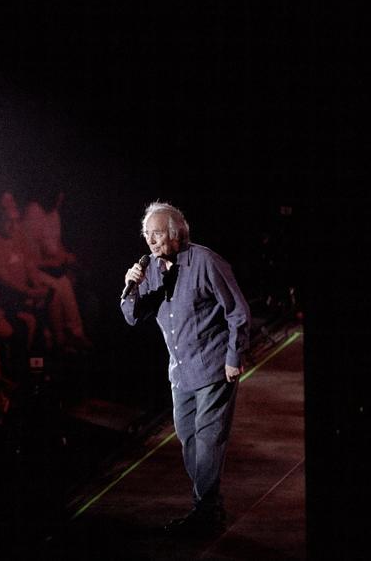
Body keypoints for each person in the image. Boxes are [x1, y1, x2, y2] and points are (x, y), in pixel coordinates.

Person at [121, 201, 249, 536]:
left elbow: (238, 311)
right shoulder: (148, 268)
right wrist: (131, 288)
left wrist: (234, 357)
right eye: (147, 234)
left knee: (207, 440)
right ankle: (209, 506)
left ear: (177, 234)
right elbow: (132, 317)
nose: (151, 240)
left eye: (158, 233)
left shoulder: (205, 261)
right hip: (180, 372)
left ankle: (205, 511)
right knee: (188, 438)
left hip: (213, 367)